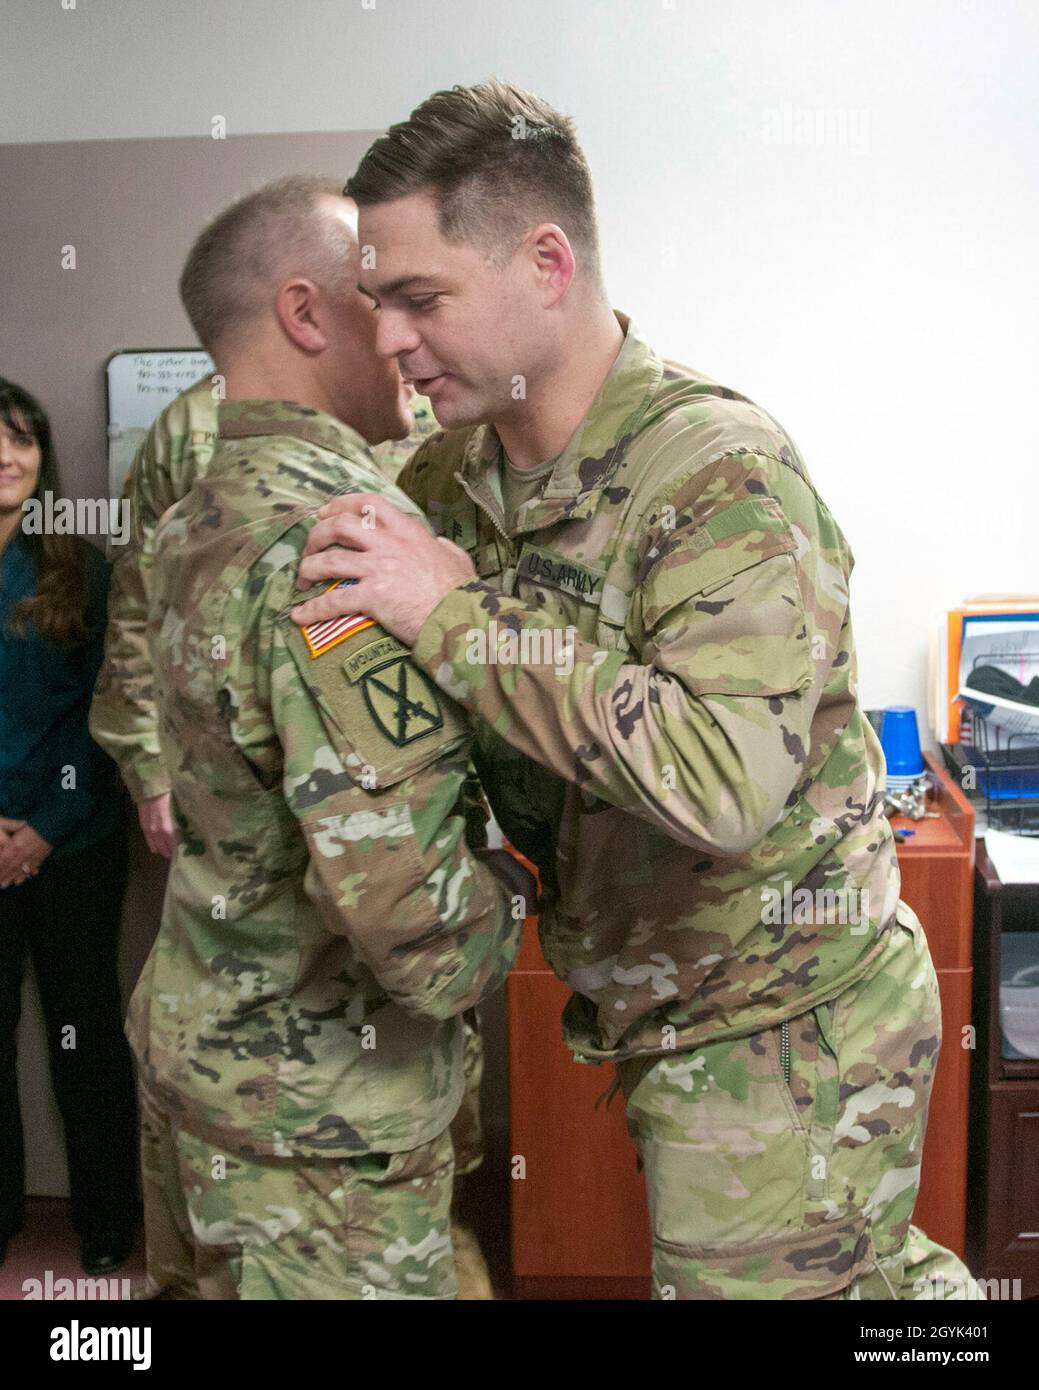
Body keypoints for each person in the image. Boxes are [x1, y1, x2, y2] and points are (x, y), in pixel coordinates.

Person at [290, 79, 981, 1300]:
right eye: (374, 303)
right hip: (648, 1000)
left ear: (545, 262)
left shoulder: (718, 473)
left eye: (419, 298)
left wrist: (452, 616)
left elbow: (720, 784)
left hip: (781, 1014)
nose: (389, 339)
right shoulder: (449, 480)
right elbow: (406, 695)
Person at [115, 176, 525, 1300]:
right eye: (377, 297)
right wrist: (522, 895)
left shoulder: (195, 516)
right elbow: (417, 927)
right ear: (305, 315)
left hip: (209, 1069)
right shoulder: (338, 553)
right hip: (322, 1132)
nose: (406, 334)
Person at [0, 378, 138, 1274]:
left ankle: (105, 1221)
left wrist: (42, 825)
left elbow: (111, 710)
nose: (8, 457)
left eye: (23, 440)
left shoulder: (79, 564)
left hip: (74, 839)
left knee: (81, 1031)